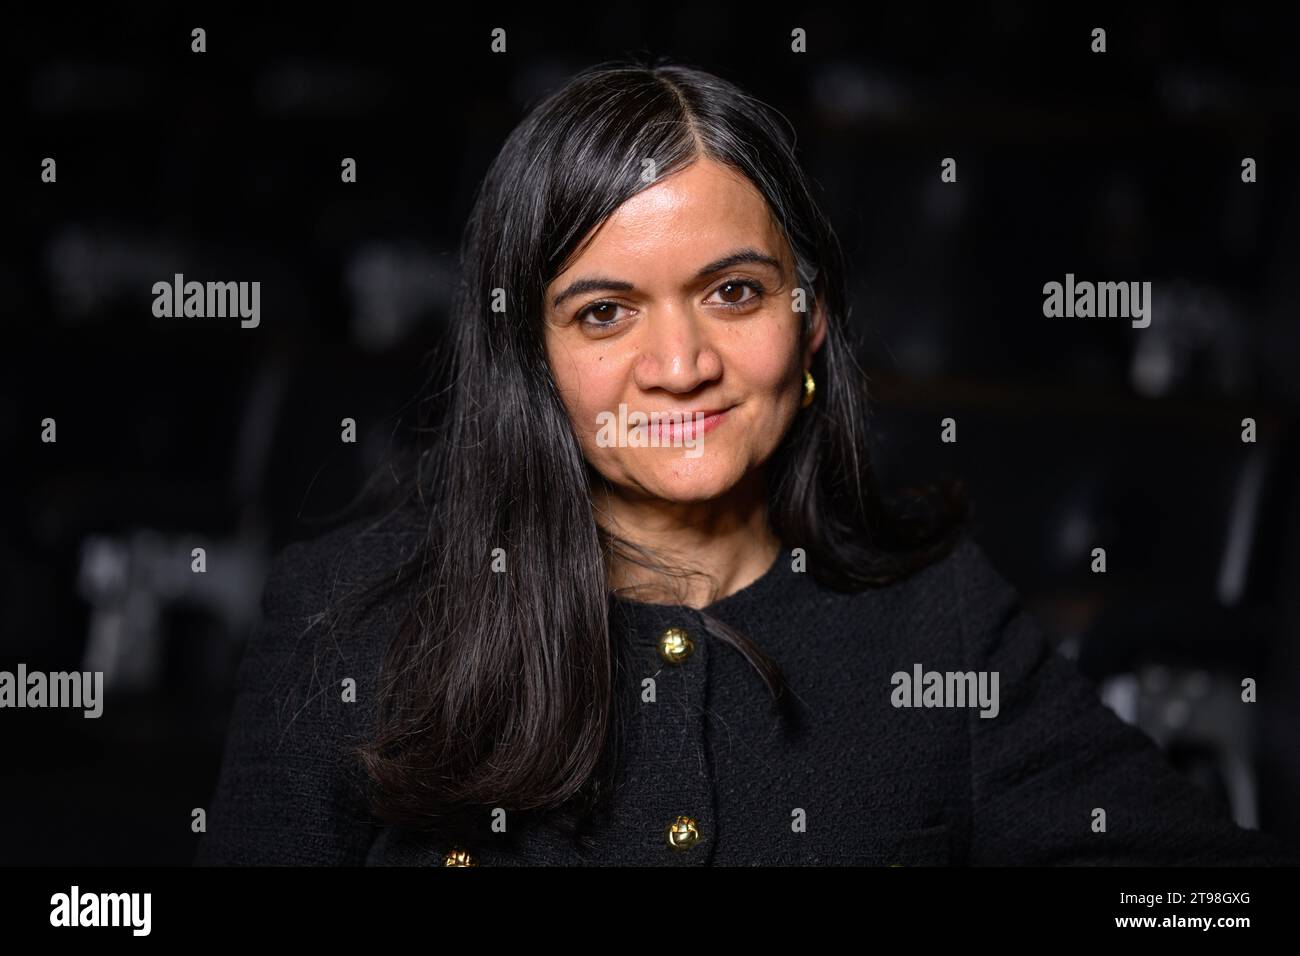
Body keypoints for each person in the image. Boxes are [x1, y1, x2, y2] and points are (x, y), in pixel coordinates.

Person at [194, 58, 1298, 866]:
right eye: (604, 311)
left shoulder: (936, 616)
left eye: (734, 292)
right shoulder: (347, 613)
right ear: (529, 354)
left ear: (809, 321)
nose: (679, 364)